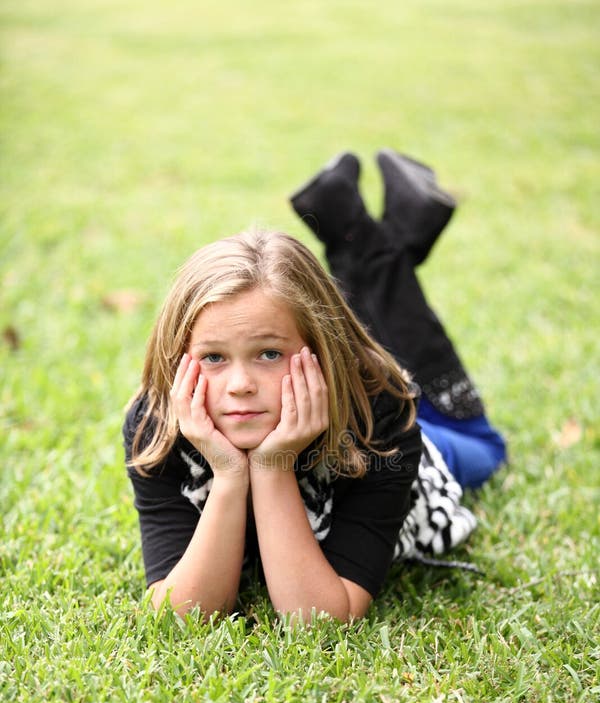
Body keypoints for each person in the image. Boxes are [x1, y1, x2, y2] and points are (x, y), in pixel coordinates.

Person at [123, 151, 507, 623]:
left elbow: (320, 619)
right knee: (300, 317)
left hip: (375, 424)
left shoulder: (382, 418)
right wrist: (228, 475)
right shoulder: (157, 424)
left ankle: (369, 237)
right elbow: (180, 615)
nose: (240, 385)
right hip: (341, 390)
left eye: (269, 354)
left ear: (326, 353)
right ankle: (369, 234)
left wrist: (272, 465)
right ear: (179, 359)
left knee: (484, 447)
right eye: (214, 357)